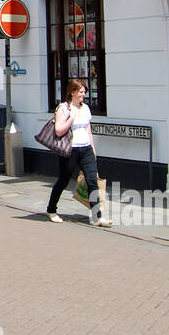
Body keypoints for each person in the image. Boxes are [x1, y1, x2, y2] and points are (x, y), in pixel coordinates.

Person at [45, 79, 112, 227]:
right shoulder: (63, 108)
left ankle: (97, 217)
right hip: (70, 150)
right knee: (63, 180)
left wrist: (93, 149)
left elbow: (88, 129)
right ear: (72, 92)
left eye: (84, 92)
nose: (83, 94)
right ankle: (51, 210)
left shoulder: (86, 108)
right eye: (81, 92)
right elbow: (58, 130)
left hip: (86, 149)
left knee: (92, 181)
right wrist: (72, 117)